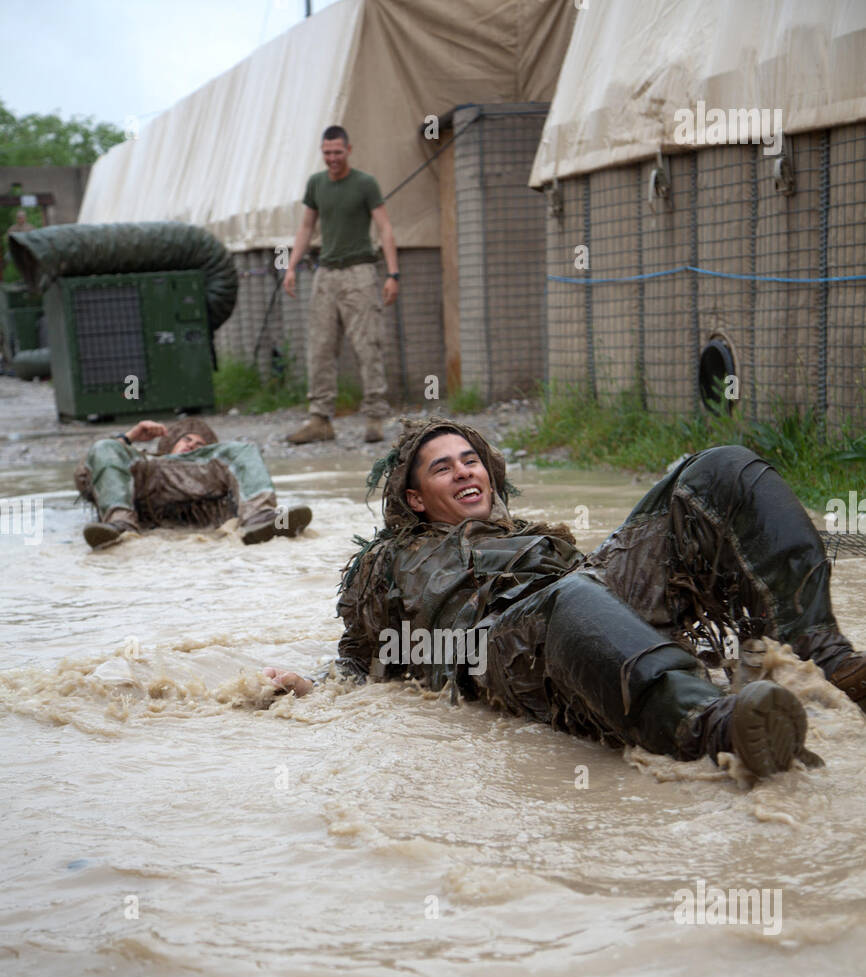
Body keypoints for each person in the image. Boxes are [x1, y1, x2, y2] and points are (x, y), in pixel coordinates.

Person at [264, 417, 866, 779]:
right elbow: (357, 658)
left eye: (471, 460)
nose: (465, 472)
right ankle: (712, 725)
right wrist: (309, 688)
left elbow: (599, 579)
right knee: (571, 596)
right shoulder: (386, 563)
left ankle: (821, 658)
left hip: (585, 600)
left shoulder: (537, 538)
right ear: (416, 498)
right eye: (443, 468)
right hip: (496, 646)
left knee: (717, 469)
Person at [283, 125, 398, 447]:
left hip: (359, 273)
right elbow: (306, 226)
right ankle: (320, 419)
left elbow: (385, 227)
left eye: (337, 152)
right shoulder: (316, 184)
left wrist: (393, 273)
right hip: (325, 273)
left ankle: (375, 415)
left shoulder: (365, 183)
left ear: (349, 150)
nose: (332, 158)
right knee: (319, 347)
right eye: (327, 153)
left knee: (368, 345)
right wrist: (291, 267)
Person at [74, 417, 313, 550]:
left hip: (201, 481)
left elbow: (236, 460)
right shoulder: (141, 462)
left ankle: (260, 518)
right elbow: (87, 473)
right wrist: (130, 437)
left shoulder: (214, 469)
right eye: (186, 440)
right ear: (169, 445)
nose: (191, 445)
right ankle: (120, 526)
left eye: (199, 445)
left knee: (244, 448)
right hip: (148, 477)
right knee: (104, 447)